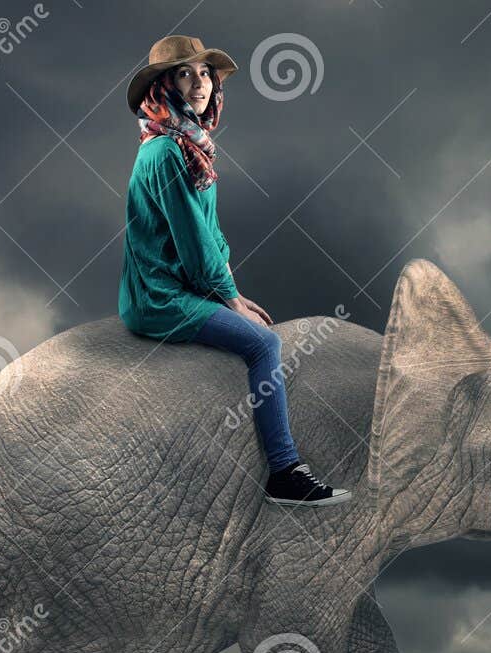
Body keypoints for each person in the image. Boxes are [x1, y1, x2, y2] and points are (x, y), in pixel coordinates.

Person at [119, 34, 349, 507]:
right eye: (185, 73)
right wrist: (227, 295)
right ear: (163, 86)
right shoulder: (164, 152)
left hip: (188, 283)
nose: (199, 83)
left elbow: (212, 230)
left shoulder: (191, 143)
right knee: (265, 342)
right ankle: (285, 472)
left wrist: (231, 290)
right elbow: (192, 240)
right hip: (160, 294)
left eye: (205, 73)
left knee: (254, 323)